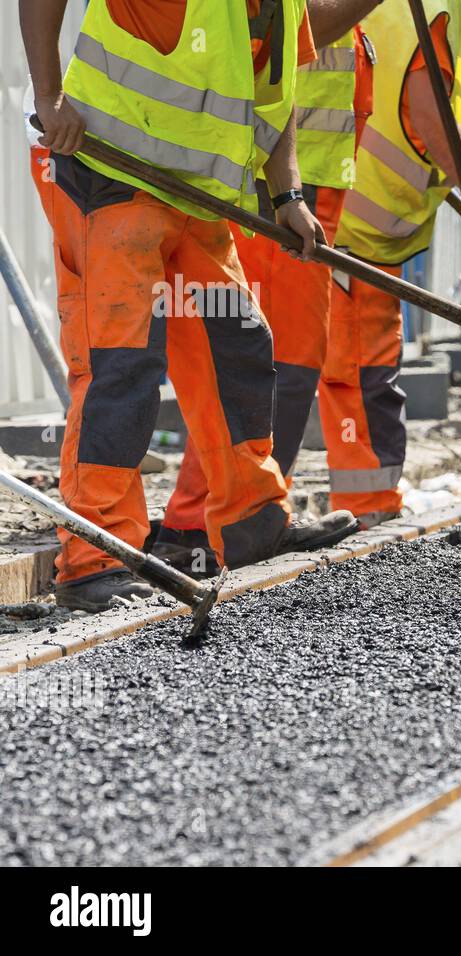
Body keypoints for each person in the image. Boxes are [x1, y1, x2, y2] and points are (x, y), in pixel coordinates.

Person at [20, 0, 358, 611]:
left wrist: (287, 194)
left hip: (197, 200)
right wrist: (49, 95)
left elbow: (273, 93)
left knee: (237, 348)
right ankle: (96, 555)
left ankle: (252, 520)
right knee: (121, 365)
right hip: (108, 175)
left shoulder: (282, 6)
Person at [153, 0, 383, 573]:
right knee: (271, 356)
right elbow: (296, 34)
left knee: (282, 357)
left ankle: (228, 519)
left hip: (298, 180)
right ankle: (205, 522)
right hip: (268, 177)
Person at [323, 0, 461, 526]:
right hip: (350, 223)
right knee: (359, 378)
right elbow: (429, 114)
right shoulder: (421, 5)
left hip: (355, 219)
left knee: (354, 374)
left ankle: (365, 507)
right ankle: (367, 510)